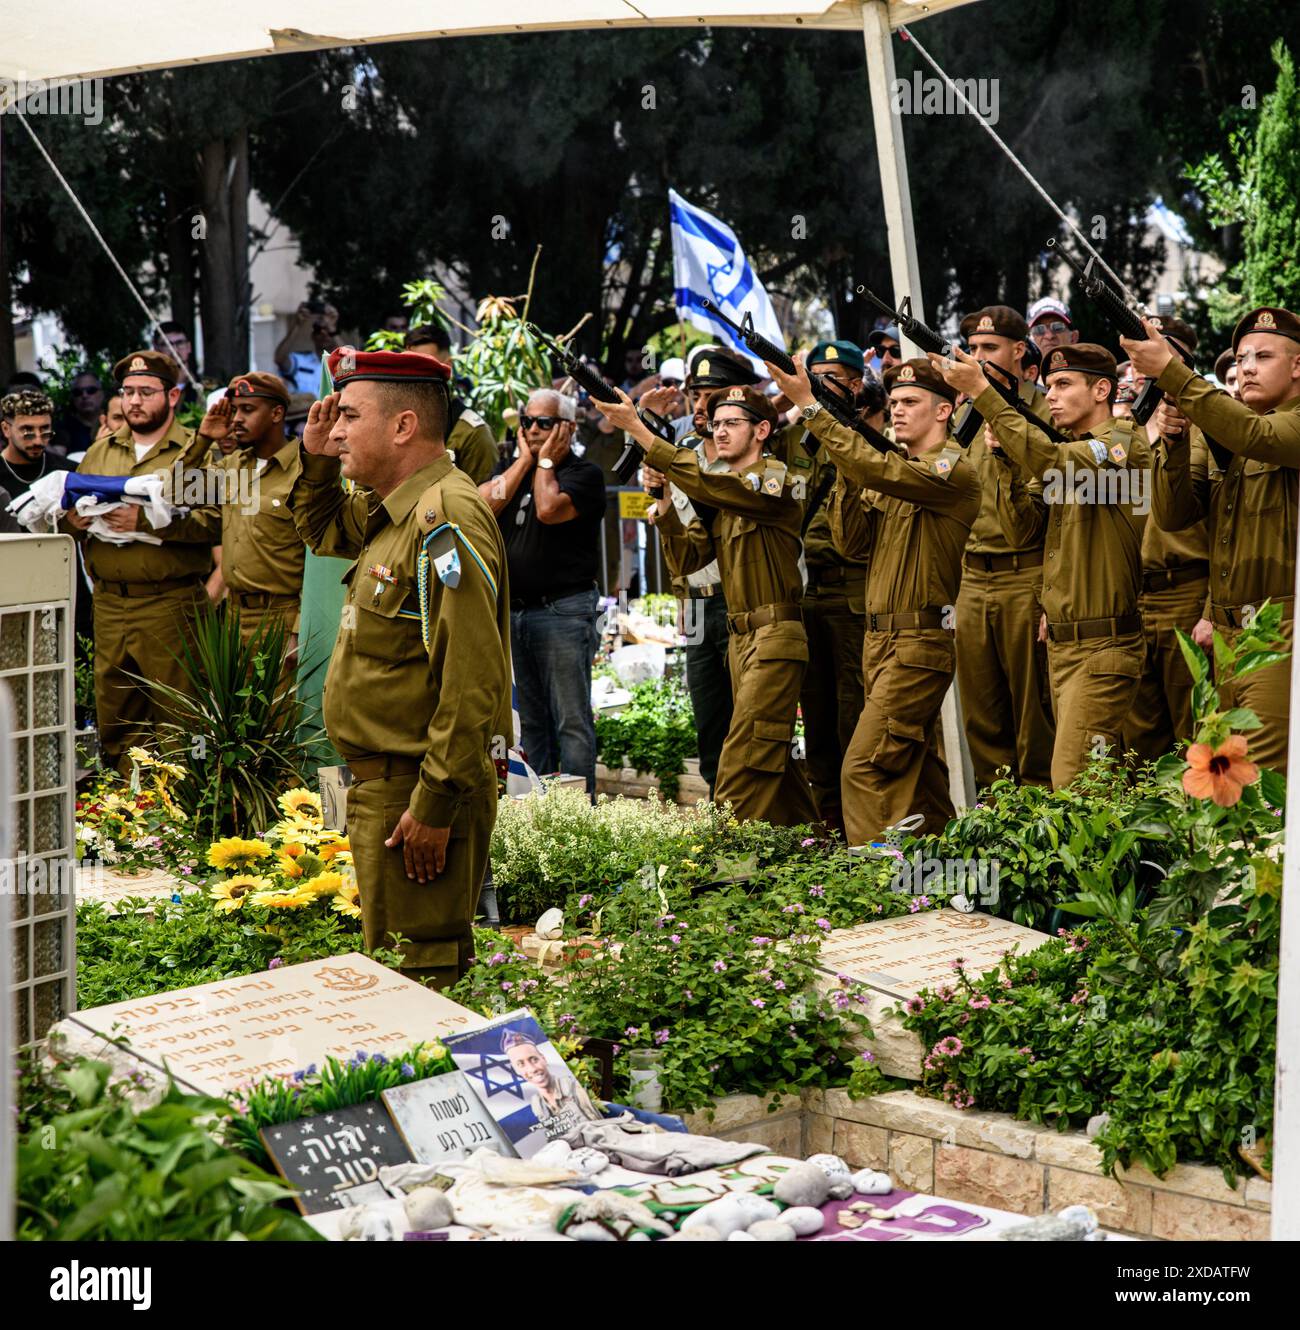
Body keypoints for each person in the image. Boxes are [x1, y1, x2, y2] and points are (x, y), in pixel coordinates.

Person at [289, 347, 510, 988]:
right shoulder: (397, 507)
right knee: (398, 973)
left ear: (403, 426)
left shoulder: (444, 517)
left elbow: (473, 680)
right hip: (388, 789)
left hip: (415, 790)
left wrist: (435, 802)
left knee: (422, 980)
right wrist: (316, 460)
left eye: (349, 417)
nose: (335, 430)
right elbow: (321, 528)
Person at [771, 355, 980, 843]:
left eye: (911, 402)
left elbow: (882, 474)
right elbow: (853, 544)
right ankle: (947, 874)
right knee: (918, 771)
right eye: (893, 403)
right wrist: (850, 464)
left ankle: (877, 889)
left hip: (917, 644)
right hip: (881, 642)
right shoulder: (897, 470)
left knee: (864, 768)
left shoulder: (950, 469)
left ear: (945, 411)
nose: (897, 411)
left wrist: (812, 407)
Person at [602, 383, 819, 827]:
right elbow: (691, 558)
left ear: (762, 430)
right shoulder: (724, 492)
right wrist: (662, 502)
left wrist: (642, 434)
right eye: (716, 423)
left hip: (775, 635)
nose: (719, 432)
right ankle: (813, 848)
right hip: (742, 640)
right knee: (771, 758)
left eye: (731, 424)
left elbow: (713, 484)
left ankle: (720, 870)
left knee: (741, 760)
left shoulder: (773, 480)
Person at [937, 343, 1149, 790]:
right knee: (1090, 787)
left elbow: (1057, 463)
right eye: (1048, 385)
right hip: (1066, 646)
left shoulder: (1123, 445)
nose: (1050, 395)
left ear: (1102, 390)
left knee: (1074, 782)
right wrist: (1007, 462)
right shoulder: (1069, 450)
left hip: (1104, 644)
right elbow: (1023, 530)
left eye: (1063, 384)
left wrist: (983, 391)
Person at [1123, 305, 1300, 775]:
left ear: (1298, 366)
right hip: (1225, 634)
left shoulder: (1281, 425)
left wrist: (1173, 373)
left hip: (1277, 628)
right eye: (1242, 358)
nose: (1246, 368)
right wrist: (1176, 442)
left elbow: (1258, 436)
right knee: (1226, 782)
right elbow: (1174, 513)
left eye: (1263, 356)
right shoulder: (1228, 428)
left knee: (1264, 784)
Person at [63, 351, 213, 772]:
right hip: (110, 604)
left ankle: (188, 816)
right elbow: (68, 515)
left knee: (182, 719)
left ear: (173, 395)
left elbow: (215, 524)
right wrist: (74, 522)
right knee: (117, 716)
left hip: (171, 603)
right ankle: (128, 821)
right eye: (127, 392)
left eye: (146, 392)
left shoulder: (195, 451)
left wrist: (146, 520)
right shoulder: (101, 452)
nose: (134, 401)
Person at [480, 388, 605, 793]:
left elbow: (548, 509)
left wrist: (546, 460)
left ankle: (580, 813)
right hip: (515, 612)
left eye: (544, 423)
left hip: (563, 611)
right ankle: (540, 809)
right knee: (531, 720)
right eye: (527, 421)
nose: (533, 429)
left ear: (566, 428)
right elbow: (483, 505)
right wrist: (523, 461)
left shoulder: (583, 474)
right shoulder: (513, 468)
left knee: (570, 719)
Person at [648, 346, 758, 795]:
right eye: (695, 394)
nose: (698, 406)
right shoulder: (682, 455)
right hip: (695, 603)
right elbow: (675, 539)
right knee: (708, 716)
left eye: (709, 395)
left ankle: (753, 818)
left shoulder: (746, 459)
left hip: (737, 599)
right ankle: (719, 817)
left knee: (746, 718)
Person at [953, 305, 1054, 790]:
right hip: (972, 577)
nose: (978, 358)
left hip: (1027, 572)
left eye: (989, 349)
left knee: (1034, 714)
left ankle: (1039, 823)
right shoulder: (964, 414)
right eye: (972, 349)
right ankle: (996, 823)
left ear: (1019, 351)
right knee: (981, 714)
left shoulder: (1048, 409)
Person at [151, 372, 306, 656]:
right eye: (234, 410)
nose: (236, 418)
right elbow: (174, 493)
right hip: (234, 616)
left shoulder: (303, 471)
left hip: (281, 617)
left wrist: (299, 629)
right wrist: (203, 438)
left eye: (247, 410)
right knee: (238, 702)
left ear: (277, 413)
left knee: (281, 702)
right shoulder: (233, 466)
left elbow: (318, 558)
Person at [1121, 316, 1211, 765]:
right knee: (1141, 743)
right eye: (1133, 356)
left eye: (1149, 352)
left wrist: (1212, 610)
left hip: (1187, 595)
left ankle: (1201, 835)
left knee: (1195, 734)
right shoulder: (1124, 436)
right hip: (1136, 599)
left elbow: (1228, 531)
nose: (1137, 365)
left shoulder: (1209, 428)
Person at [795, 340, 876, 833]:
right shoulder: (798, 437)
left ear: (854, 384)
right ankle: (828, 817)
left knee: (854, 712)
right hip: (810, 590)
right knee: (817, 714)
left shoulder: (865, 435)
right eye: (815, 378)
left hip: (854, 589)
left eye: (833, 378)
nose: (823, 387)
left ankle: (859, 819)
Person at [405, 325, 498, 483]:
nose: (414, 374)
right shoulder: (396, 422)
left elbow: (487, 502)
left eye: (425, 366)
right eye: (408, 366)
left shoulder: (472, 433)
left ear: (447, 366)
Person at [2, 388, 73, 502]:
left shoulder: (67, 472)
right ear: (6, 429)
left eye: (44, 429)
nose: (38, 441)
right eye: (27, 430)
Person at [276, 304, 340, 394]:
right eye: (319, 331)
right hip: (303, 407)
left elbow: (352, 365)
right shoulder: (300, 360)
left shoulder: (339, 365)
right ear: (313, 336)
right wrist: (297, 325)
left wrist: (332, 326)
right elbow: (280, 359)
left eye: (328, 332)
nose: (324, 335)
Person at [54, 370, 105, 457]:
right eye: (78, 392)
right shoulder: (65, 427)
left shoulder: (114, 420)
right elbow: (58, 457)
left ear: (102, 394)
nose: (84, 396)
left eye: (91, 390)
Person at [152, 321, 200, 408]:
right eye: (166, 344)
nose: (174, 350)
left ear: (189, 347)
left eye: (180, 343)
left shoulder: (206, 389)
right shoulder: (149, 391)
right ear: (156, 349)